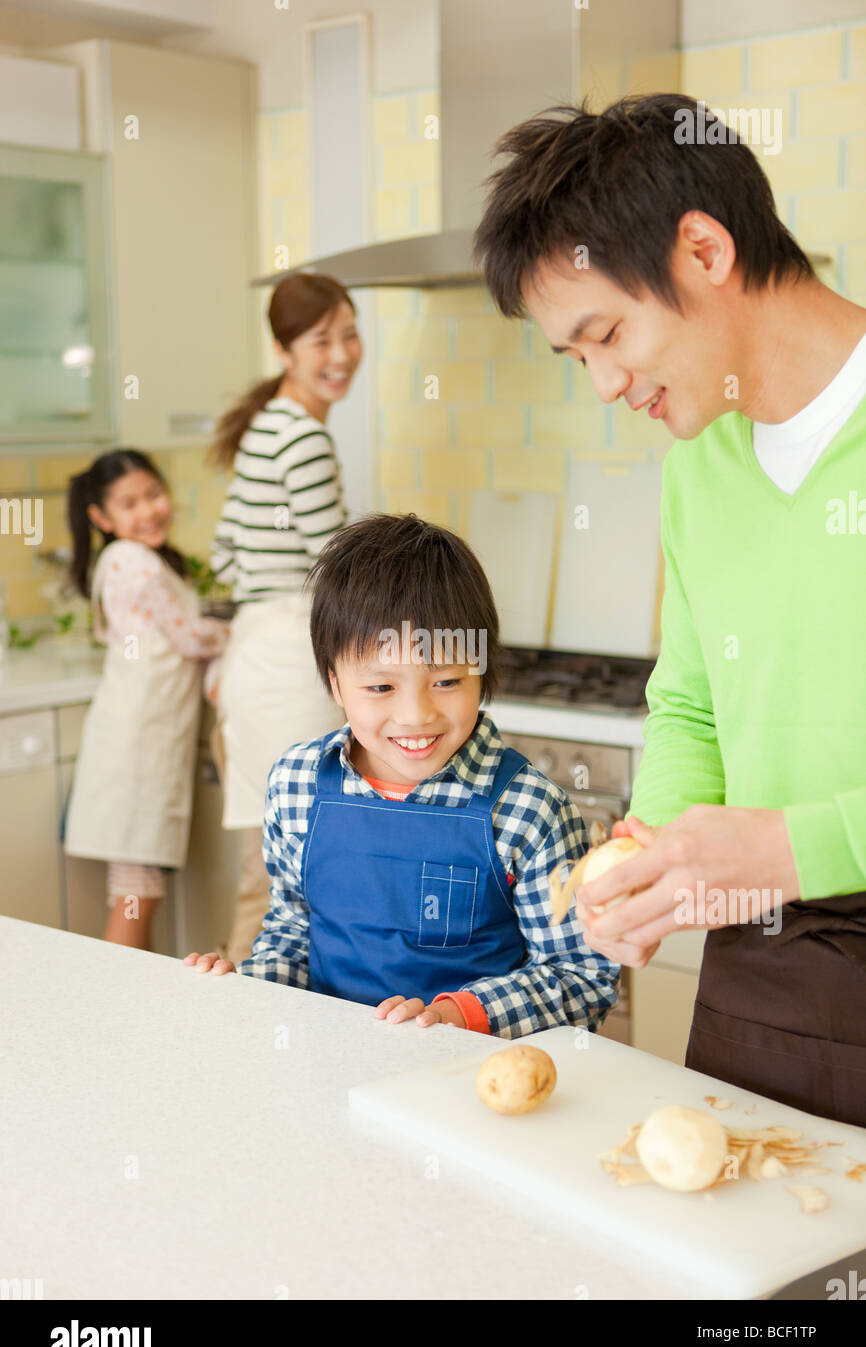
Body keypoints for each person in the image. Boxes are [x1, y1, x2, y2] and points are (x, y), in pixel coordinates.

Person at [472, 93, 866, 1122]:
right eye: (573, 357)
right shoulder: (700, 467)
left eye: (604, 333)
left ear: (700, 249)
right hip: (763, 965)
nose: (602, 383)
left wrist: (785, 847)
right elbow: (688, 702)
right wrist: (649, 850)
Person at [184, 514, 619, 1039]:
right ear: (335, 683)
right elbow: (294, 930)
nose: (416, 715)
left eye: (446, 680)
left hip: (470, 1085)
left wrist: (461, 1014)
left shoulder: (530, 809)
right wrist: (249, 985)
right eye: (381, 688)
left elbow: (581, 976)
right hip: (326, 1068)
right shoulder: (295, 784)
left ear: (482, 672)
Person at [207, 272, 360, 964]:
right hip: (288, 669)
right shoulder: (300, 437)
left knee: (270, 878)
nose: (343, 353)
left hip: (259, 659)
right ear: (284, 350)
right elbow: (336, 566)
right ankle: (242, 1040)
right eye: (321, 339)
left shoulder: (270, 426)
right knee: (286, 885)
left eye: (351, 334)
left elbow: (225, 554)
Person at [63, 450, 229, 949]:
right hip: (138, 746)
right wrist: (236, 633)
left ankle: (127, 1014)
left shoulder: (122, 558)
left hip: (133, 738)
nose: (149, 510)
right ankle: (120, 1016)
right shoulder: (135, 561)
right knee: (138, 891)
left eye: (154, 494)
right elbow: (191, 639)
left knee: (135, 887)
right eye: (130, 503)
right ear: (101, 517)